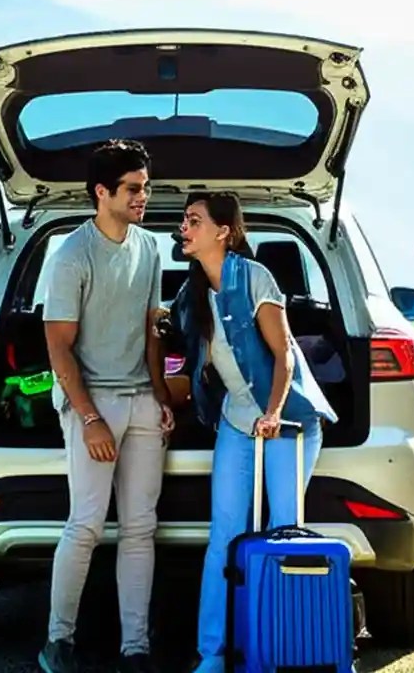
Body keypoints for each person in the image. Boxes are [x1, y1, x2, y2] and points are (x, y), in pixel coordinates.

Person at [169, 192, 338, 672]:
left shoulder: (256, 277)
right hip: (237, 421)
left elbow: (285, 355)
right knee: (225, 533)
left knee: (282, 531)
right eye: (185, 220)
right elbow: (184, 360)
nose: (184, 228)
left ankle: (278, 648)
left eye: (194, 220)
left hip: (288, 420)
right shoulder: (190, 296)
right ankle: (214, 653)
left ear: (223, 232)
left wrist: (274, 412)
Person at [38, 139, 174, 673]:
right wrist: (90, 417)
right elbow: (58, 346)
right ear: (102, 192)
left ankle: (135, 649)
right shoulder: (72, 255)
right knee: (87, 525)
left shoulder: (150, 247)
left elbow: (151, 327)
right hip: (92, 405)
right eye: (133, 189)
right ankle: (58, 641)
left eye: (146, 187)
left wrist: (161, 395)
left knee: (140, 528)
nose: (144, 197)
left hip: (142, 402)